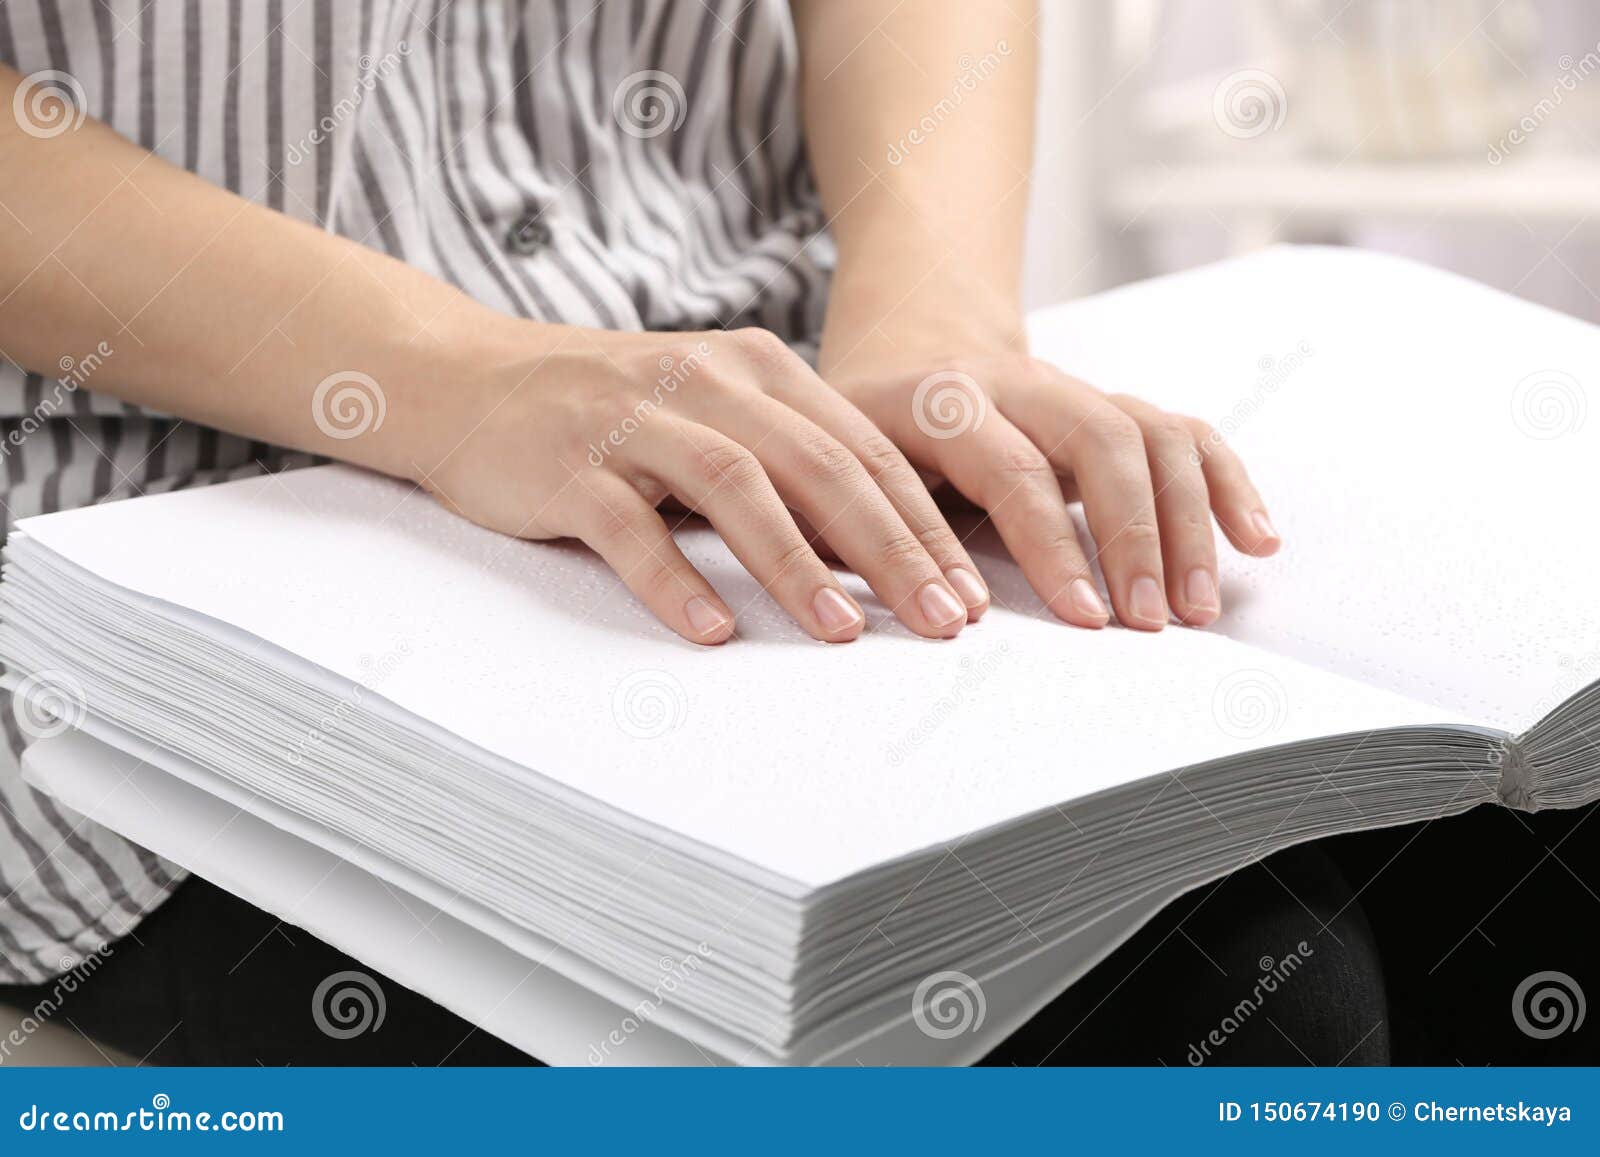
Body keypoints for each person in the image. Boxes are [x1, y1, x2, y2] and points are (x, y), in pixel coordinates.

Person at [0, 1, 1318, 1064]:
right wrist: (463, 377)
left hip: (769, 377)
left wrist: (927, 318)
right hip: (146, 521)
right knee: (1236, 1006)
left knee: (1359, 924)